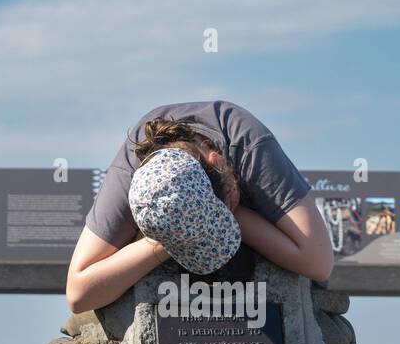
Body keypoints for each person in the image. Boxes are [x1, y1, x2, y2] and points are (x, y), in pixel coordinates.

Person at [66, 101, 333, 312]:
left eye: (226, 203)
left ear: (219, 163)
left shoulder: (246, 142)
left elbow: (319, 261)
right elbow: (79, 293)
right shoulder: (135, 175)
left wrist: (233, 215)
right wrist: (167, 236)